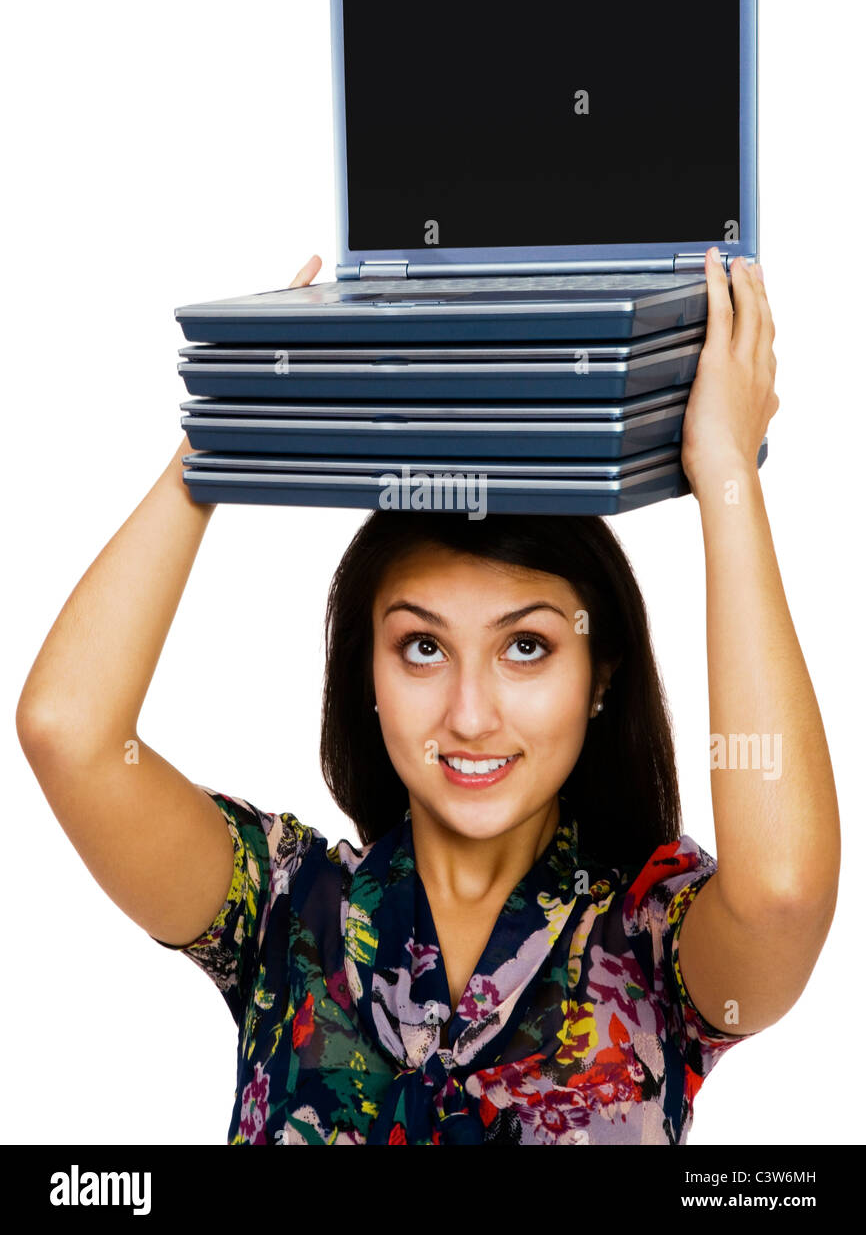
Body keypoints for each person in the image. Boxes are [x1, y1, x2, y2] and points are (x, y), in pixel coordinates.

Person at [16, 248, 839, 1145]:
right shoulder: (287, 916)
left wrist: (727, 477)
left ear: (601, 676)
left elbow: (785, 895)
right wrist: (224, 431)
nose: (471, 714)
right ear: (364, 672)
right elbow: (70, 732)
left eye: (527, 647)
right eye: (421, 647)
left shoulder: (644, 956)